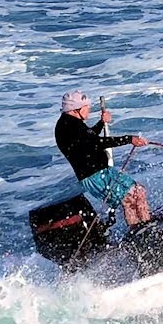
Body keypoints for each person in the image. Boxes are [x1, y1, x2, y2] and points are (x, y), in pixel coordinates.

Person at [54, 89, 152, 227]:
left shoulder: (71, 123)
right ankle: (141, 230)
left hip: (103, 172)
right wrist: (129, 139)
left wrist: (101, 123)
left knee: (137, 193)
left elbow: (89, 137)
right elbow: (97, 143)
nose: (89, 111)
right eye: (86, 108)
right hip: (94, 177)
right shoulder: (68, 127)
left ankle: (144, 227)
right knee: (131, 198)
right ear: (76, 109)